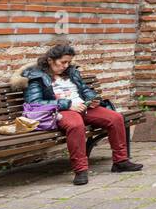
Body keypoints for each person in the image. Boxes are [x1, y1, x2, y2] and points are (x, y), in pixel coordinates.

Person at [21, 42, 143, 186]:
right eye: (63, 62)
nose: (66, 65)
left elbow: (84, 89)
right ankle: (80, 170)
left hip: (83, 107)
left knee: (115, 118)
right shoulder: (37, 77)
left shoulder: (71, 72)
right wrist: (68, 104)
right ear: (50, 60)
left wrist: (92, 98)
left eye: (68, 62)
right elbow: (35, 103)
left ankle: (120, 161)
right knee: (76, 124)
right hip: (61, 110)